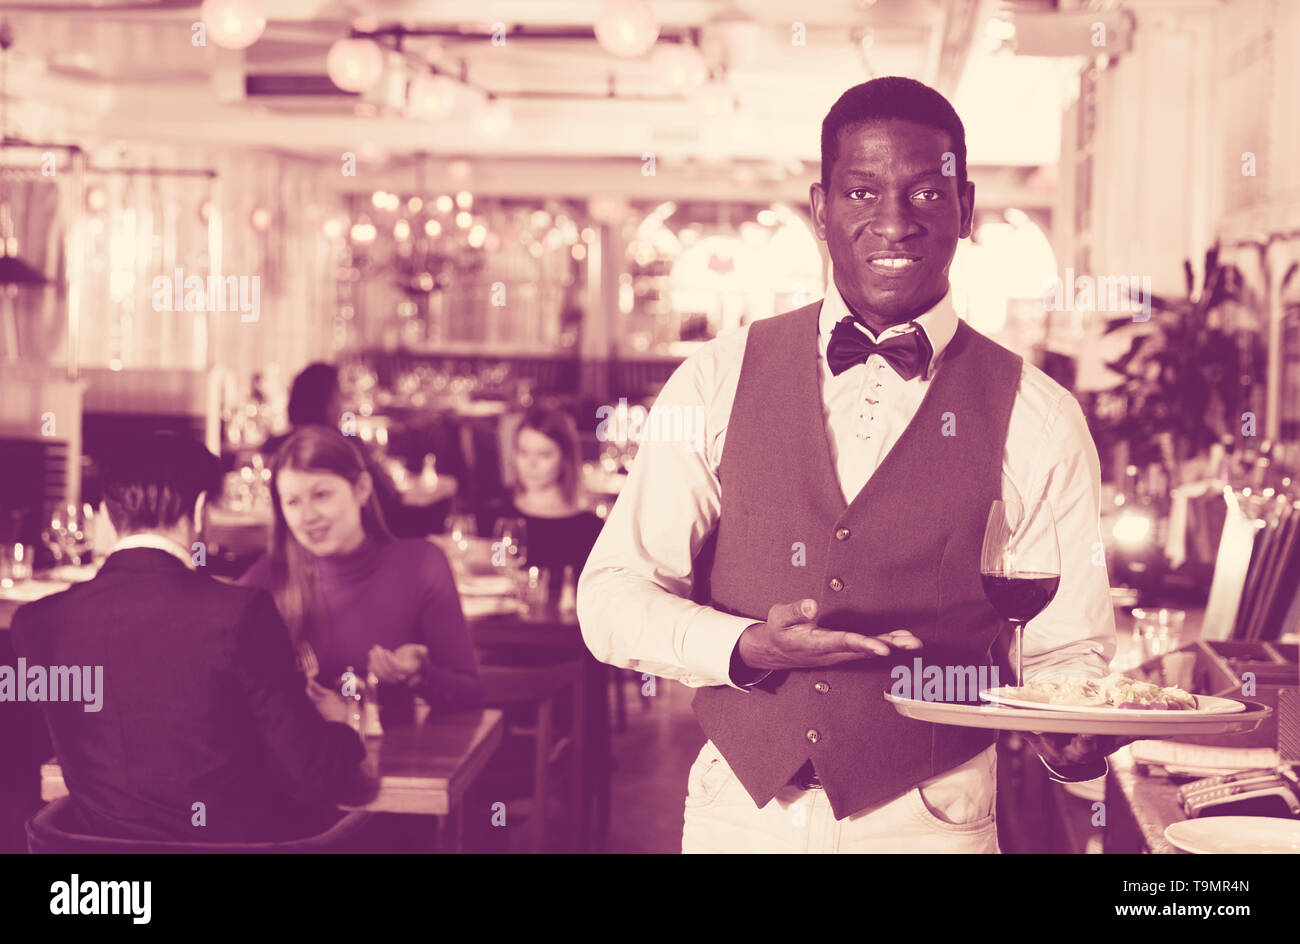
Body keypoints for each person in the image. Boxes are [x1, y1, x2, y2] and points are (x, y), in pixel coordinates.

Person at [577, 76, 1118, 854]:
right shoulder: (715, 377)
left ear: (966, 209)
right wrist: (745, 648)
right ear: (820, 207)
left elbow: (1068, 648)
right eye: (862, 192)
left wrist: (1075, 742)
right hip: (740, 809)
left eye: (928, 193)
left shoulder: (1041, 416)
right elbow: (612, 595)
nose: (893, 223)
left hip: (930, 819)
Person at [10, 432, 366, 844]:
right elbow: (312, 777)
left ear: (107, 517)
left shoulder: (36, 623)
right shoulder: (241, 613)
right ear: (199, 510)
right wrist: (344, 727)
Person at [240, 425, 482, 722]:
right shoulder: (264, 580)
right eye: (292, 502)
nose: (307, 516)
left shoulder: (422, 565)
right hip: (299, 764)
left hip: (399, 760)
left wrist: (420, 674)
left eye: (321, 495)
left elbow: (470, 695)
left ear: (362, 489)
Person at [261, 362, 419, 537]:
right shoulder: (346, 446)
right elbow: (389, 499)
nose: (342, 404)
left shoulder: (272, 445)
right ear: (327, 401)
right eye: (339, 395)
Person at [481, 407, 603, 581]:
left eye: (544, 455)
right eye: (523, 452)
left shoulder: (589, 529)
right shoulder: (496, 516)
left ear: (565, 458)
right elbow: (495, 575)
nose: (531, 464)